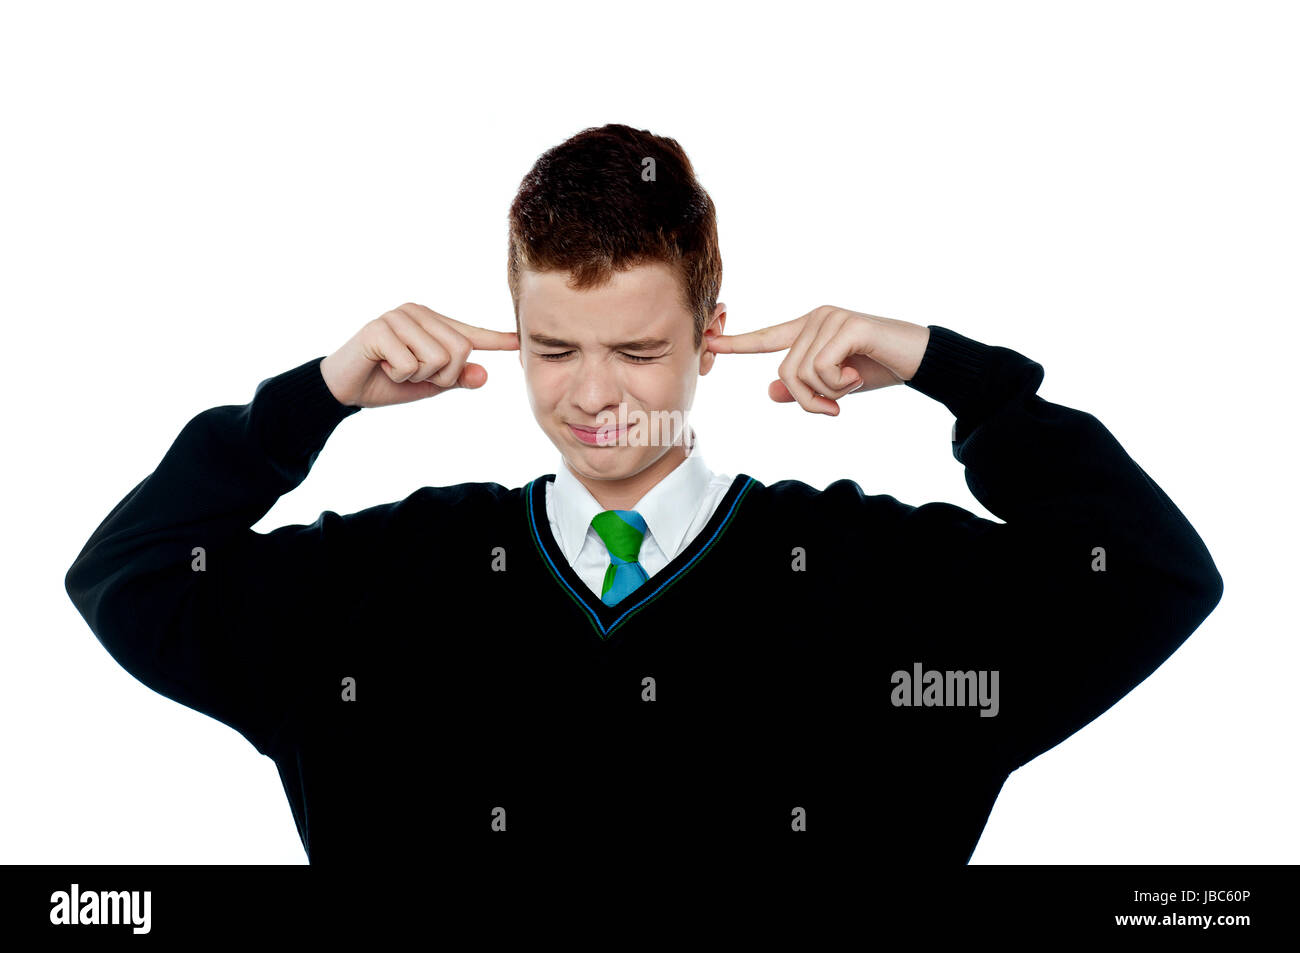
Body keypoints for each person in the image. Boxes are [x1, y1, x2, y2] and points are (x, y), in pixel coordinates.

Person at [64, 123, 1223, 867]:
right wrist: (308, 402)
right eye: (554, 350)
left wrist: (951, 371)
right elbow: (128, 577)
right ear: (511, 332)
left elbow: (1151, 575)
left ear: (709, 338)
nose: (595, 398)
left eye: (637, 350)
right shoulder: (377, 588)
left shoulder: (880, 587)